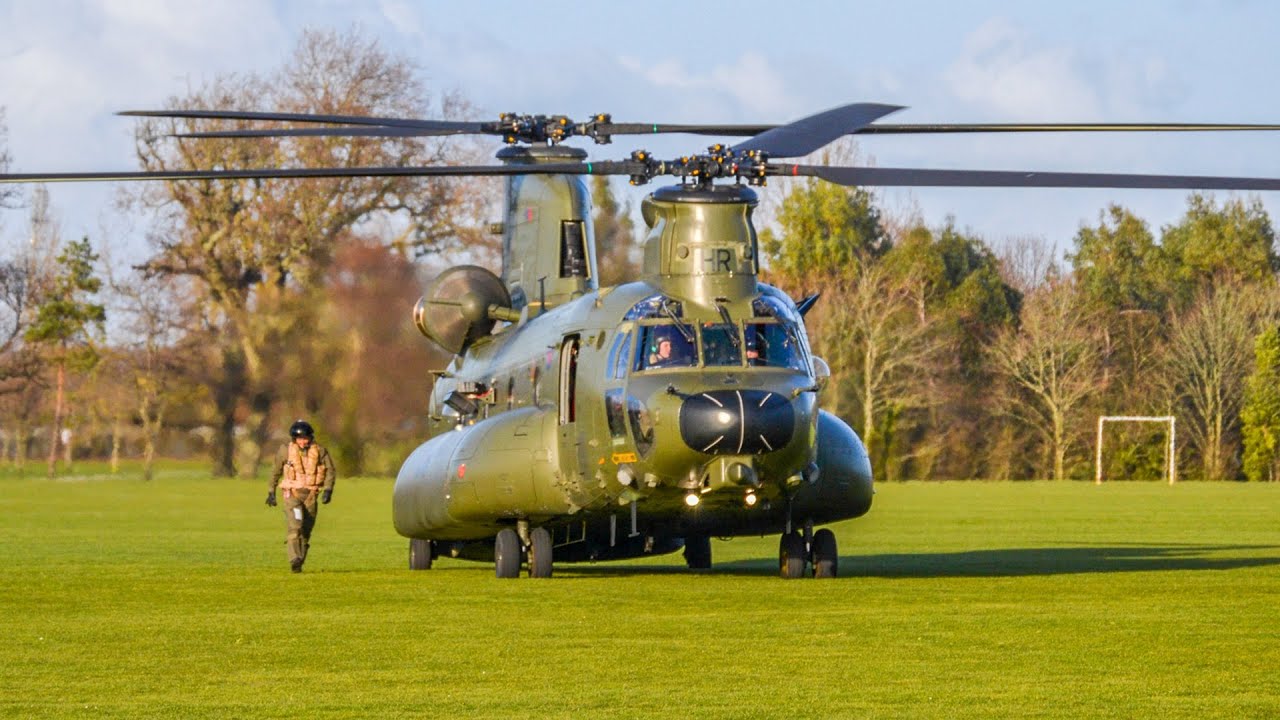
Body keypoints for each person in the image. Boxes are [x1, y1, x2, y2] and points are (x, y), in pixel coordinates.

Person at [266, 419, 337, 573]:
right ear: (294, 439)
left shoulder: (320, 451)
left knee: (305, 531)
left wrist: (328, 490)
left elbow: (330, 471)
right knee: (295, 527)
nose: (303, 442)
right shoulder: (285, 451)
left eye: (305, 438)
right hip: (292, 494)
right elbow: (275, 471)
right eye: (300, 439)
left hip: (311, 495)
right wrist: (271, 492)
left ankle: (299, 562)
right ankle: (294, 559)